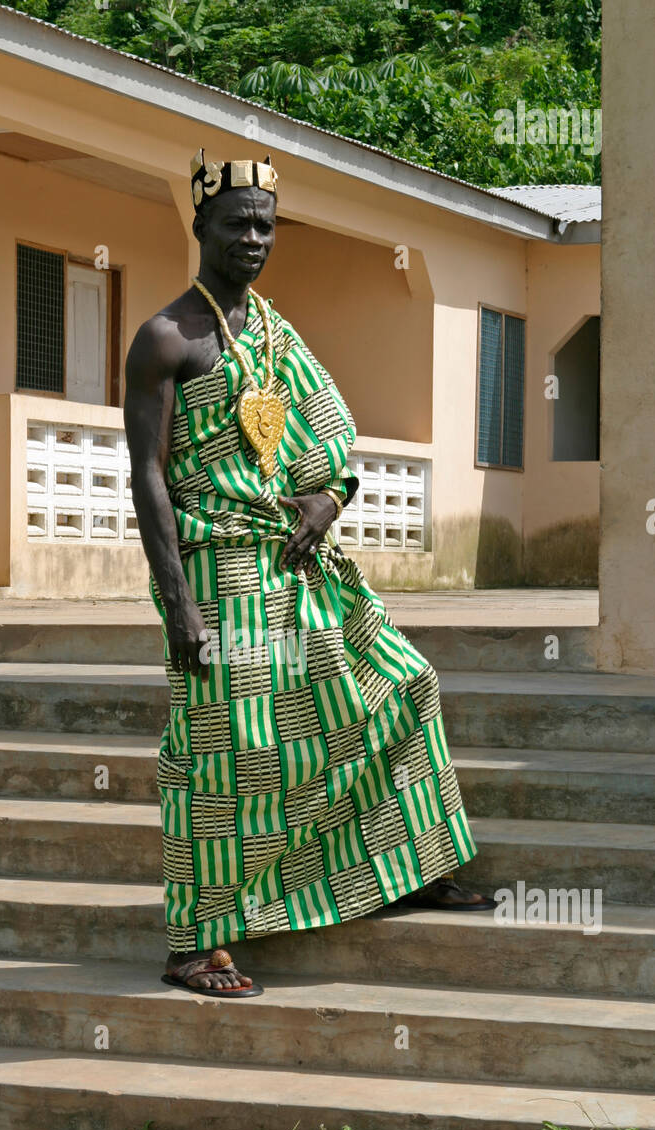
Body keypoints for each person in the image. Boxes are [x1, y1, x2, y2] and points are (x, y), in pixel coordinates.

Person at [125, 151, 494, 999]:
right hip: (221, 570)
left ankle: (410, 863)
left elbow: (330, 434)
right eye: (236, 224)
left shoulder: (275, 334)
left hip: (301, 565)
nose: (253, 238)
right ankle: (195, 943)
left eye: (265, 224)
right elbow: (146, 474)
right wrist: (177, 604)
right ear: (200, 228)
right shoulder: (166, 338)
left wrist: (326, 499)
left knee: (406, 684)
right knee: (231, 752)